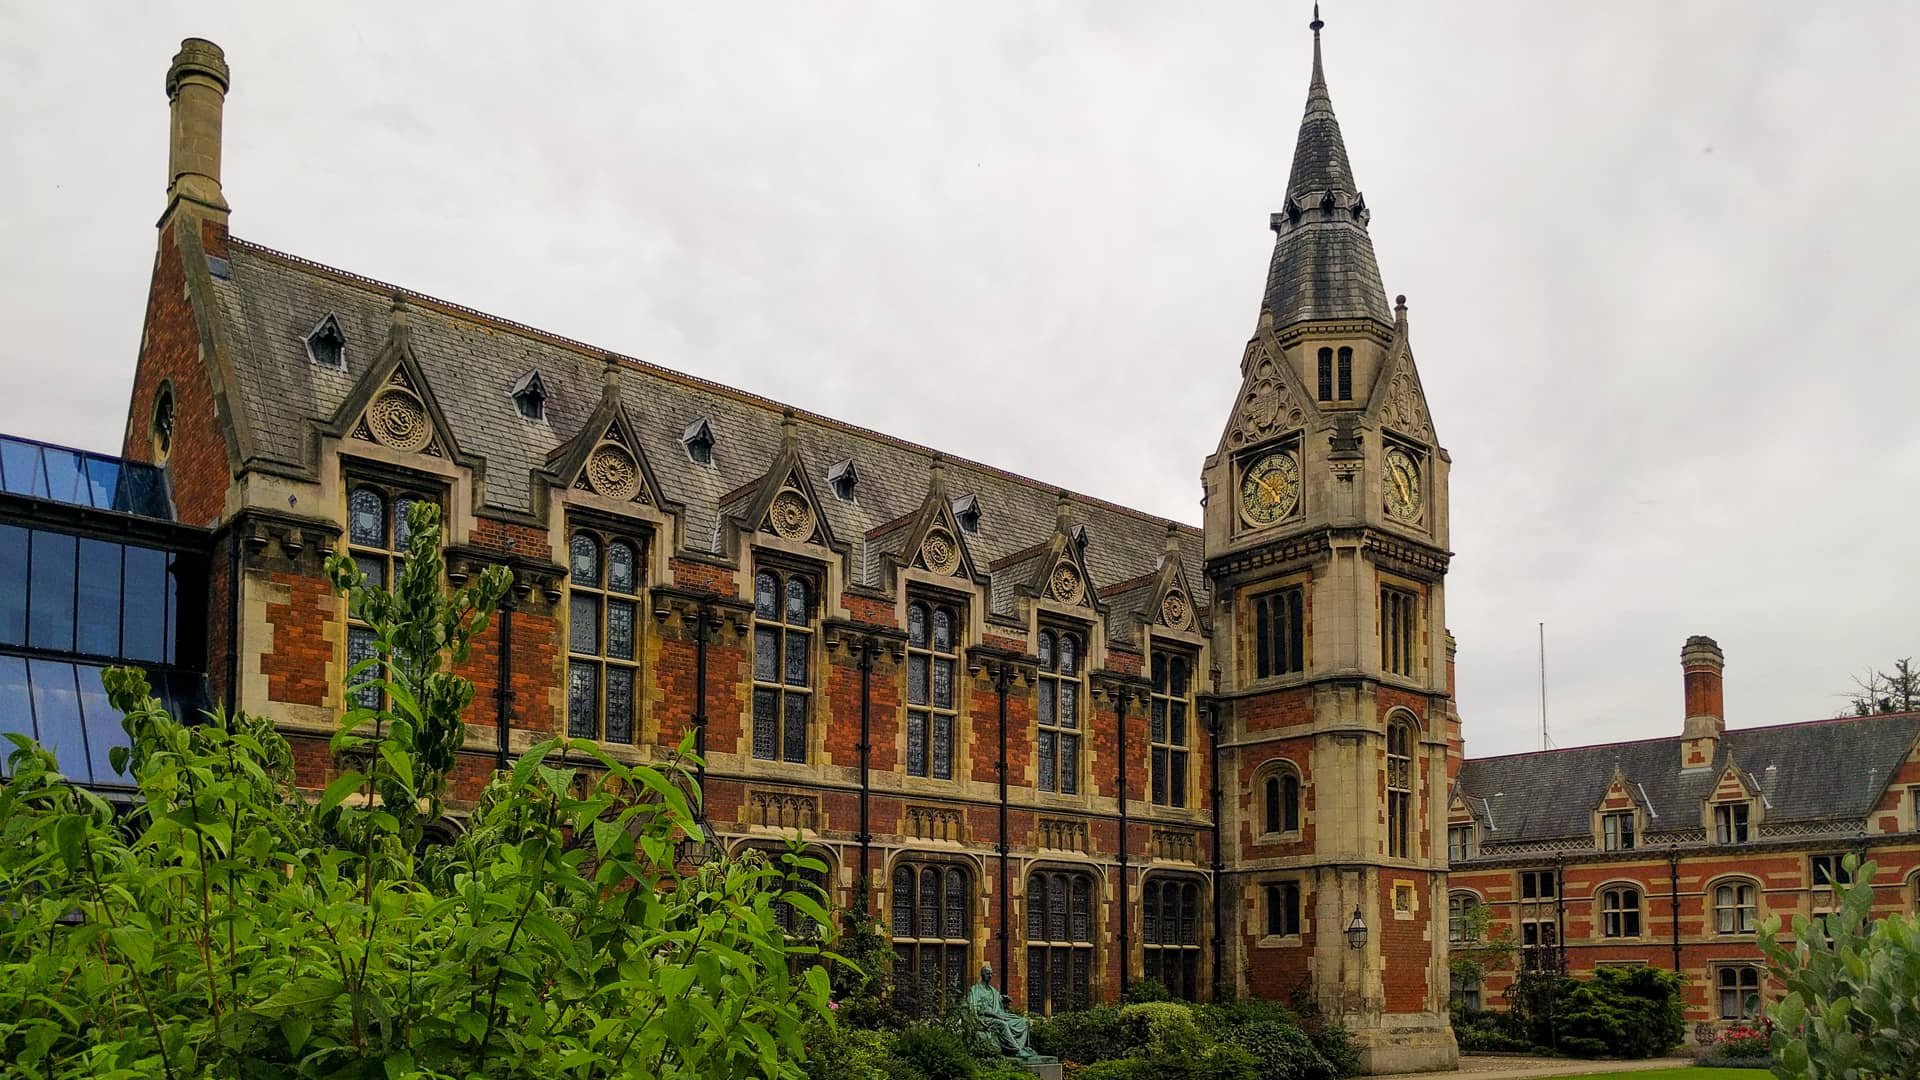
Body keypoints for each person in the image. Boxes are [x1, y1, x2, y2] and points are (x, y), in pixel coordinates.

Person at [966, 963, 1039, 1060]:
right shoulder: (975, 989)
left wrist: (1003, 1001)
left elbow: (999, 1005)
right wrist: (987, 1016)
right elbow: (973, 1007)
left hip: (999, 1015)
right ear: (982, 974)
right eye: (988, 973)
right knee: (1002, 1024)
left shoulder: (993, 991)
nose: (990, 976)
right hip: (986, 1019)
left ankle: (1023, 1047)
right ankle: (1016, 1050)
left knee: (1023, 1021)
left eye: (991, 974)